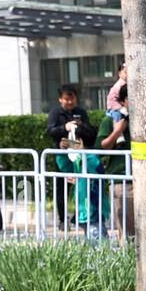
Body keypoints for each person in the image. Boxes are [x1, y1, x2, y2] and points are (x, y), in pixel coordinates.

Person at [45, 85, 97, 234]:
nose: (69, 102)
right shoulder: (56, 113)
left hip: (79, 154)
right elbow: (50, 131)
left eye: (72, 98)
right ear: (60, 99)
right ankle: (63, 219)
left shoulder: (81, 113)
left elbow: (91, 133)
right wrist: (65, 127)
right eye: (66, 99)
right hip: (63, 156)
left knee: (82, 186)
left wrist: (81, 127)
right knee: (62, 188)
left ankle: (79, 216)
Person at [95, 83, 134, 240]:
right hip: (121, 179)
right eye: (132, 97)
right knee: (127, 230)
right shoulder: (111, 119)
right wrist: (118, 130)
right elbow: (101, 147)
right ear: (123, 101)